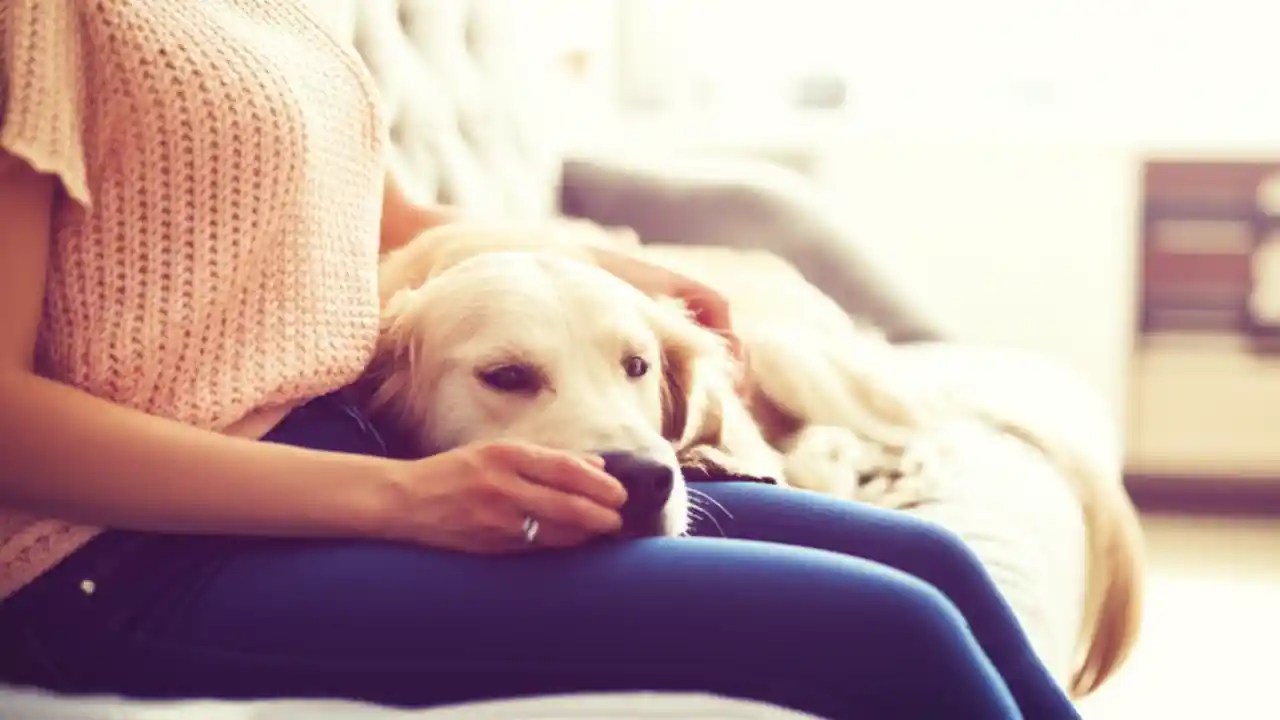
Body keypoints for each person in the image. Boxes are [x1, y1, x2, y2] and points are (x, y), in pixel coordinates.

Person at [0, 2, 1079, 718]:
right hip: (124, 559)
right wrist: (404, 500)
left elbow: (393, 218)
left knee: (932, 565)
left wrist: (618, 270)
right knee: (885, 627)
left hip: (325, 467)